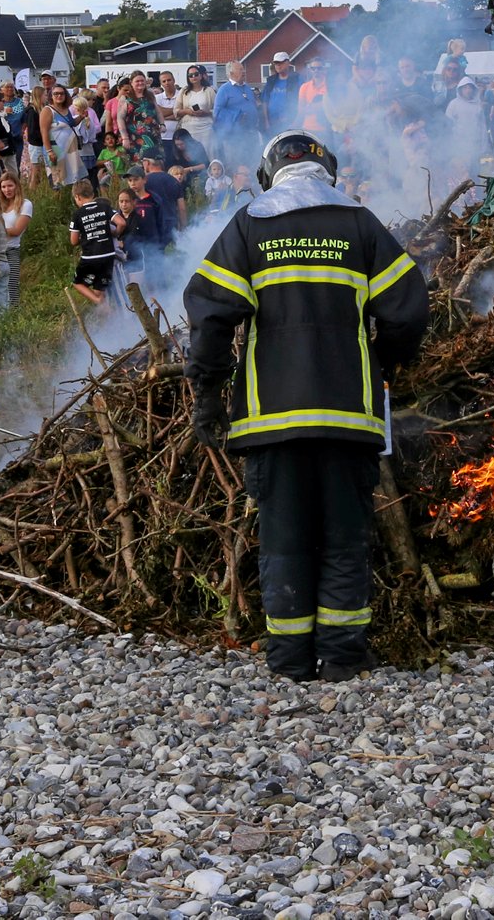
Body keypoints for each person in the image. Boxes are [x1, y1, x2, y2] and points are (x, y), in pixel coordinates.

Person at [184, 131, 430, 682]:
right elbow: (409, 309)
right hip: (348, 414)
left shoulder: (250, 225)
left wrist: (206, 392)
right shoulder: (359, 225)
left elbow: (210, 315)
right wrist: (383, 363)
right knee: (344, 537)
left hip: (271, 419)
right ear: (329, 172)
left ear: (270, 172)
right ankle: (343, 657)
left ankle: (290, 660)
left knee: (285, 539)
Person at [67, 177, 123, 307]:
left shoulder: (77, 214)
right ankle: (108, 315)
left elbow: (73, 241)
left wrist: (87, 236)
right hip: (108, 255)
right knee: (99, 289)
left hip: (90, 257)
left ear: (77, 197)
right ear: (93, 194)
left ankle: (99, 302)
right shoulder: (104, 206)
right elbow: (121, 223)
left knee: (77, 282)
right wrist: (114, 233)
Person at [212, 61, 263, 165]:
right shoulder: (224, 90)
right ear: (231, 73)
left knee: (252, 163)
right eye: (240, 69)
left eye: (243, 69)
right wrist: (237, 115)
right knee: (237, 165)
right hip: (234, 137)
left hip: (250, 134)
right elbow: (217, 113)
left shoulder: (247, 87)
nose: (243, 72)